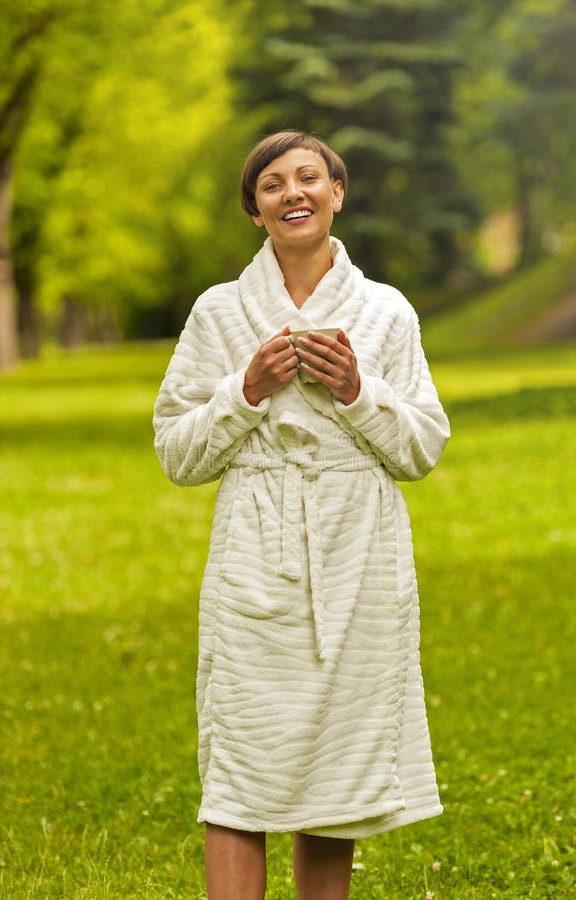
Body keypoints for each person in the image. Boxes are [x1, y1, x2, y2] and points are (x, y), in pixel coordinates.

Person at [153, 130, 450, 900]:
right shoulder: (219, 314)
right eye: (272, 184)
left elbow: (420, 449)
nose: (293, 193)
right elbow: (179, 455)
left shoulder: (385, 313)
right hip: (257, 551)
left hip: (357, 555)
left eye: (308, 178)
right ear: (255, 212)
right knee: (242, 767)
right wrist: (244, 390)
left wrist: (358, 390)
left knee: (336, 772)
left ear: (336, 192)